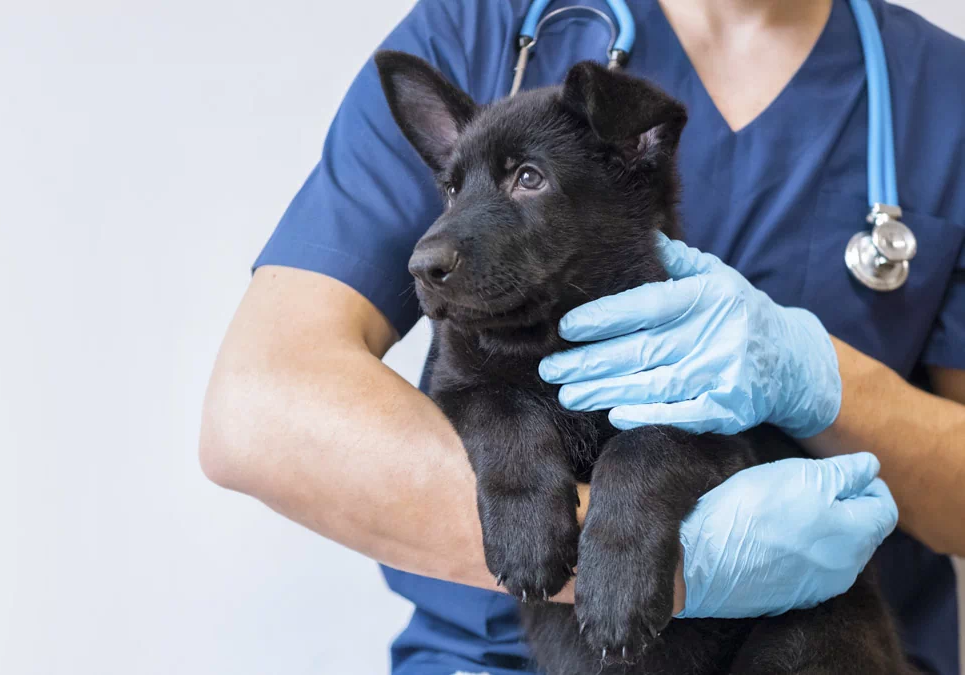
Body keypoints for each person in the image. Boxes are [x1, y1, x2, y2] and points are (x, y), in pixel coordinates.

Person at [198, 1, 965, 673]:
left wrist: (818, 374)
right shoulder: (485, 24)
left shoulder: (940, 94)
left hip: (807, 644)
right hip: (491, 657)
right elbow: (255, 409)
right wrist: (657, 557)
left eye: (525, 179)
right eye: (456, 185)